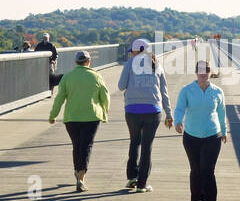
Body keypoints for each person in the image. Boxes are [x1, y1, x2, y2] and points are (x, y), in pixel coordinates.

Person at [48, 50, 109, 192]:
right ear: (89, 62)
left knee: (76, 146)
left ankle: (77, 171)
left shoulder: (67, 77)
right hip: (92, 117)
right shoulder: (96, 76)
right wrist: (105, 112)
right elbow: (105, 97)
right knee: (86, 146)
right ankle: (81, 178)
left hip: (72, 118)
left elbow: (59, 99)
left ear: (76, 62)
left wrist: (53, 115)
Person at [173, 60, 228, 201]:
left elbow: (222, 113)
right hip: (191, 136)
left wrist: (224, 131)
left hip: (212, 135)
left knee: (208, 170)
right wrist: (178, 121)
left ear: (211, 72)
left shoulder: (218, 91)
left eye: (207, 70)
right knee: (196, 170)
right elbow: (180, 108)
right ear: (196, 72)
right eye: (200, 70)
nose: (203, 73)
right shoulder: (187, 90)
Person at [117, 38, 172, 192]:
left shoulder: (130, 64)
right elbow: (164, 91)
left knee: (135, 142)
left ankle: (132, 177)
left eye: (133, 52)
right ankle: (142, 184)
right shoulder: (157, 65)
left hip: (132, 110)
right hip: (153, 111)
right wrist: (169, 114)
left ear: (137, 51)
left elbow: (121, 86)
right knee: (147, 146)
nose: (131, 55)